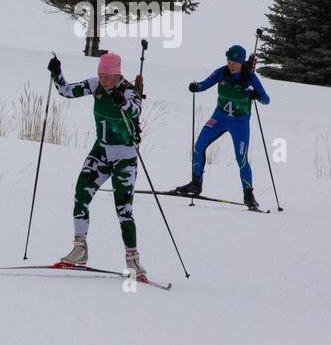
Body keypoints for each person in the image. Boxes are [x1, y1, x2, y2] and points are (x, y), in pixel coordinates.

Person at [48, 51, 151, 281]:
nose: (103, 80)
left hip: (124, 157)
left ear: (117, 75)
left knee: (123, 209)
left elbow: (136, 109)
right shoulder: (95, 85)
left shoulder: (128, 91)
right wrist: (57, 74)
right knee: (80, 194)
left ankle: (133, 261)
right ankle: (79, 249)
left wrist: (122, 101)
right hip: (101, 152)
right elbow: (67, 91)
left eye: (107, 77)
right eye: (100, 75)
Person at [171, 45, 270, 211]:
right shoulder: (222, 72)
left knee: (241, 158)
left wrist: (255, 94)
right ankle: (196, 183)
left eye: (234, 63)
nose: (231, 65)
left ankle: (249, 195)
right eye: (229, 61)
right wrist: (196, 87)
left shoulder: (250, 78)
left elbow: (266, 100)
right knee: (199, 146)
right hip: (220, 117)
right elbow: (205, 84)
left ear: (241, 63)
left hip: (239, 122)